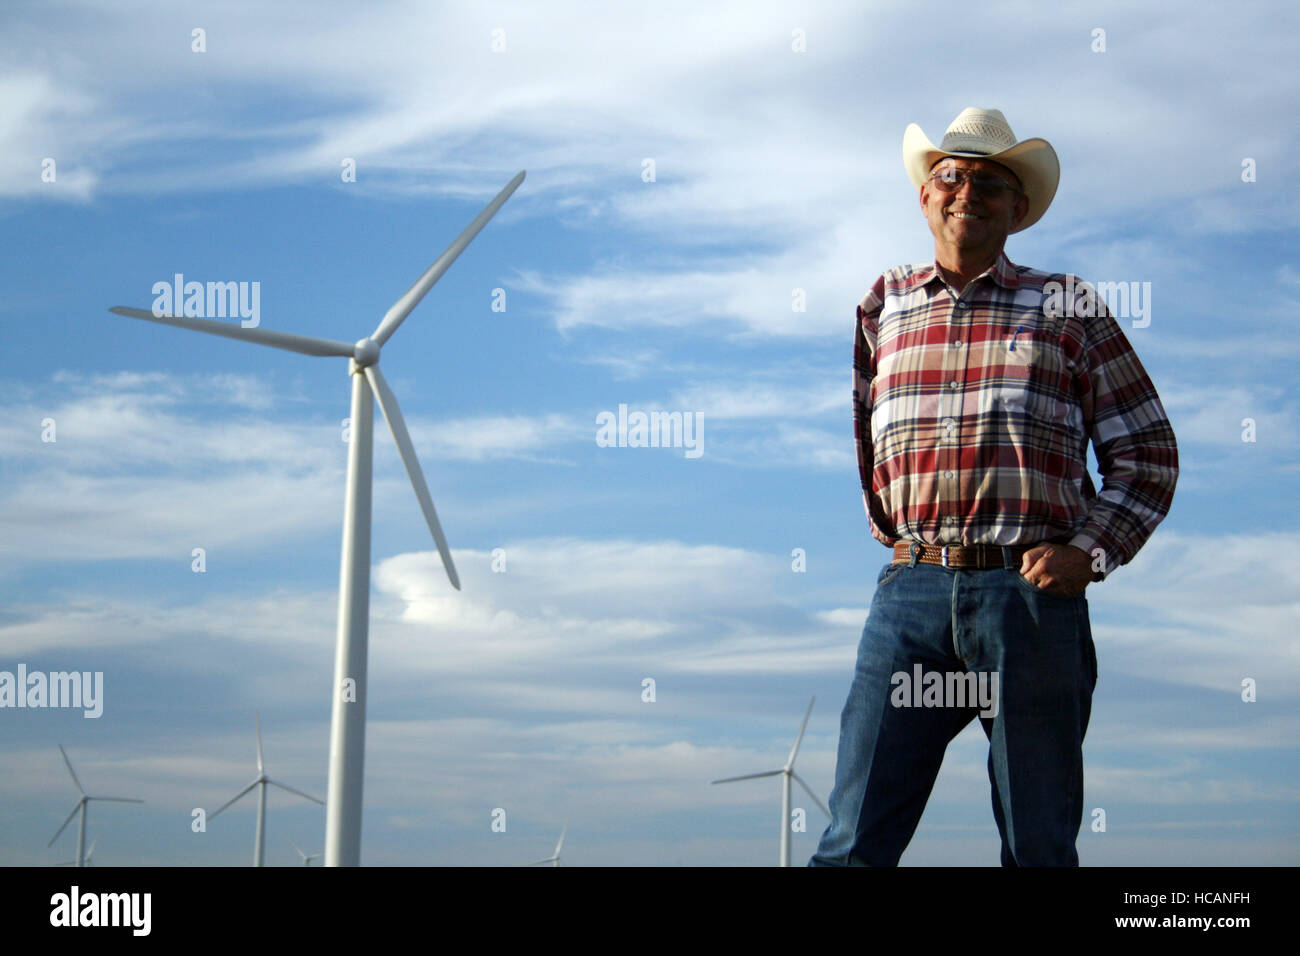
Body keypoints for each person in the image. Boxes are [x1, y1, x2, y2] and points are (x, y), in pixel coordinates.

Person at [808, 108, 1178, 866]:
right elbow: (868, 443)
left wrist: (1088, 553)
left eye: (991, 183)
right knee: (852, 843)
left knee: (1038, 845)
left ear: (1019, 208)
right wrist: (905, 544)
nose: (966, 192)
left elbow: (1147, 453)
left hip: (1029, 600)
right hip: (909, 598)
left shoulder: (1067, 305)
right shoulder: (884, 303)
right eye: (951, 175)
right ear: (925, 195)